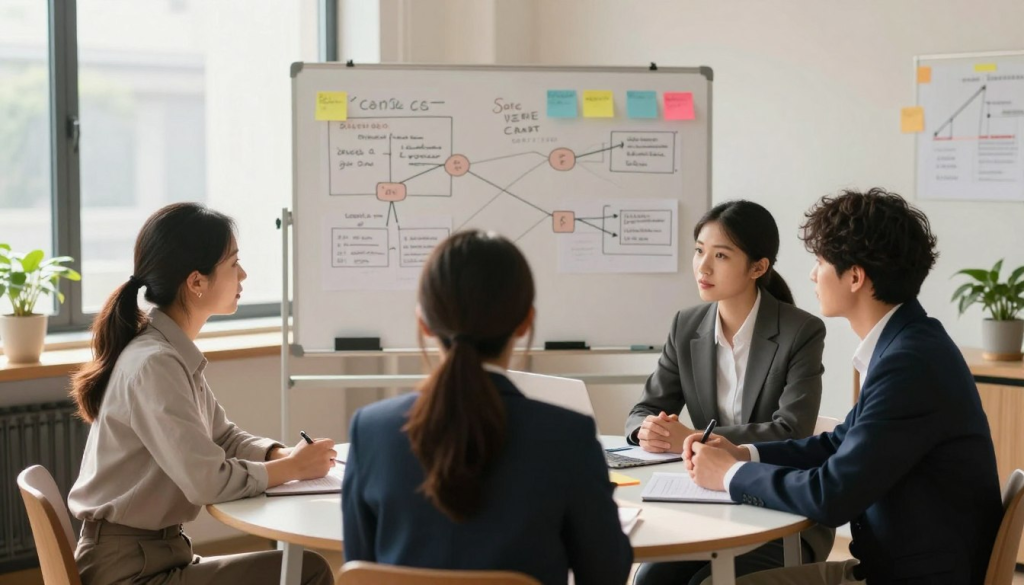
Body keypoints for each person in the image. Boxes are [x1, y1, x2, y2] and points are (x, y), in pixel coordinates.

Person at [686, 188, 1003, 584]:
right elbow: (838, 445)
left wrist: (730, 475)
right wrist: (745, 454)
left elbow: (831, 495)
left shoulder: (910, 362)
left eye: (820, 261)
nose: (812, 274)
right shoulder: (909, 342)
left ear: (855, 276)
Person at [342, 230, 633, 585]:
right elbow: (606, 574)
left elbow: (359, 566)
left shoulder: (371, 430)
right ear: (526, 321)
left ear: (424, 322)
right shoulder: (567, 436)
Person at [68, 203, 335, 585]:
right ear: (196, 282)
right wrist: (292, 470)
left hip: (152, 556)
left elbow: (223, 437)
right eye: (233, 264)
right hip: (129, 573)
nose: (243, 274)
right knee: (308, 571)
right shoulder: (155, 363)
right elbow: (207, 482)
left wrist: (282, 455)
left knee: (302, 568)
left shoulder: (168, 352)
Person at [626, 200, 833, 585]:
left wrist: (693, 438)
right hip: (706, 502)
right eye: (699, 250)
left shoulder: (801, 331)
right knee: (649, 582)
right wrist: (646, 430)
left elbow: (792, 429)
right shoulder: (686, 325)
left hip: (779, 509)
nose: (703, 267)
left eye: (720, 255)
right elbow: (645, 408)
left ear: (758, 267)